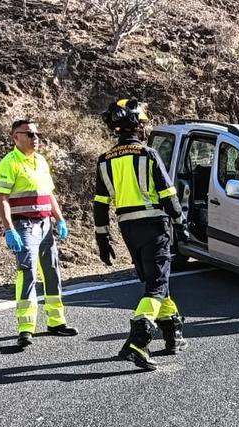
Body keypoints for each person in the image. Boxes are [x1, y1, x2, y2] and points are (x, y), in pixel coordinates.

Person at [92, 98, 186, 371]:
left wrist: (102, 237)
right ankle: (138, 341)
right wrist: (180, 222)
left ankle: (173, 334)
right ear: (135, 124)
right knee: (157, 285)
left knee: (156, 281)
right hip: (155, 224)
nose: (146, 128)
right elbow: (168, 194)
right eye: (143, 123)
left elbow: (100, 203)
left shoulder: (104, 160)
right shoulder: (148, 154)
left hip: (128, 229)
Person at [0, 119, 77, 349]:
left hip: (45, 224)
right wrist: (9, 229)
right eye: (30, 134)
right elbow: (2, 200)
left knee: (51, 271)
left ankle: (56, 321)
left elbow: (49, 195)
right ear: (15, 137)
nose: (35, 138)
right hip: (25, 226)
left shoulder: (40, 161)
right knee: (27, 273)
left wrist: (59, 219)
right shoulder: (8, 164)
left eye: (37, 134)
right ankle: (26, 328)